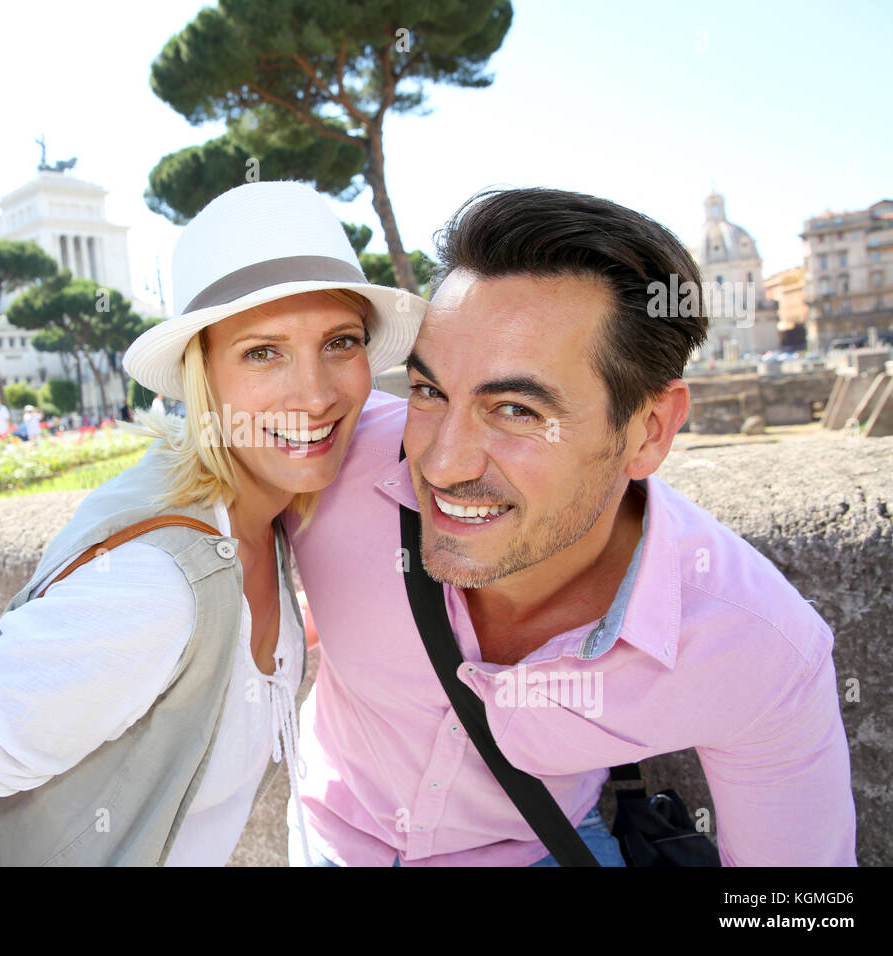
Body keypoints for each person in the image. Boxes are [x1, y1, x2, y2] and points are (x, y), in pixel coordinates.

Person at [283, 187, 856, 867]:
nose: (439, 463)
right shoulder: (325, 463)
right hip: (326, 840)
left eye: (518, 410)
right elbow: (180, 474)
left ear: (649, 431)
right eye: (430, 392)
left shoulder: (756, 647)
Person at [0, 180, 424, 867]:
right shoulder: (151, 587)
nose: (315, 393)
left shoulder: (265, 517)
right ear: (202, 376)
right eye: (262, 351)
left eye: (340, 342)